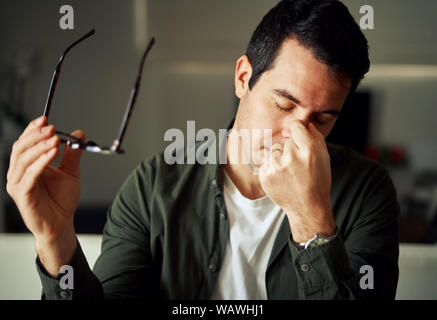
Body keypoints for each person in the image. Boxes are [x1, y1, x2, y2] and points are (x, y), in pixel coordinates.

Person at [6, 0, 399, 300]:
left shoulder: (367, 192)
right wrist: (55, 238)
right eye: (283, 104)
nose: (296, 135)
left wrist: (310, 219)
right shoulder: (153, 185)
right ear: (243, 77)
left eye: (322, 120)